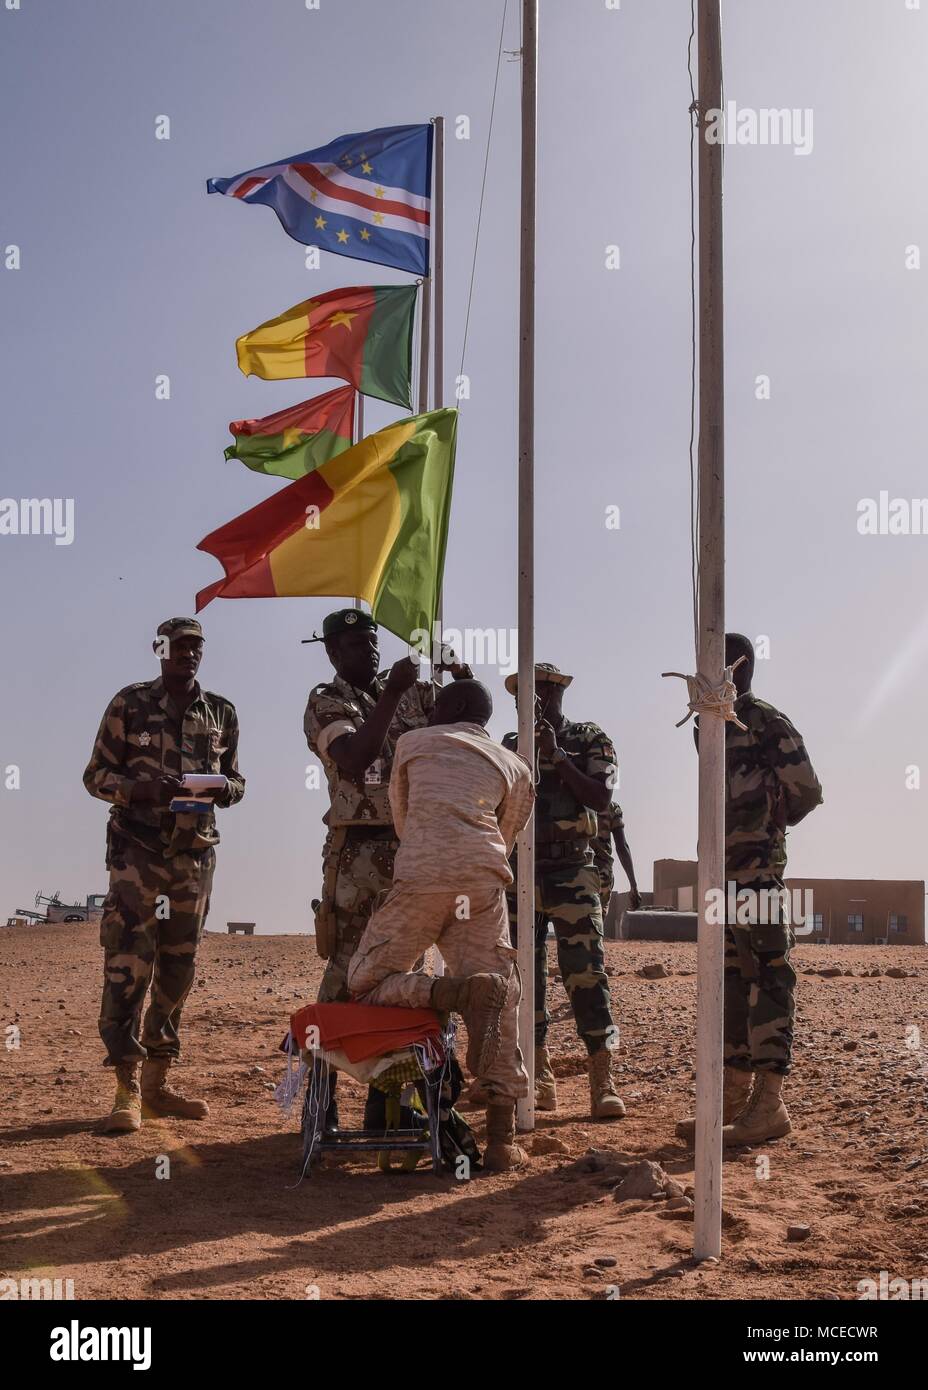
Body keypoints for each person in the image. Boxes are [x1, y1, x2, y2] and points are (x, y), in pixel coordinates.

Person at [347, 678, 534, 1170]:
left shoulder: (412, 743)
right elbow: (509, 829)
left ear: (451, 708)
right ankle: (502, 1140)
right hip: (483, 880)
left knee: (364, 981)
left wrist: (431, 858)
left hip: (423, 877)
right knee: (503, 995)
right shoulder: (516, 764)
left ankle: (449, 995)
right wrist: (474, 866)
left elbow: (402, 814)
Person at [302, 608, 470, 1130]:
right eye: (354, 644)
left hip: (414, 847)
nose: (369, 650)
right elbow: (354, 757)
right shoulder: (327, 701)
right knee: (346, 973)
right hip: (359, 854)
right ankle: (319, 1104)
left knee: (404, 975)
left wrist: (458, 674)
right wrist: (394, 694)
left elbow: (467, 721)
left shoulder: (418, 694)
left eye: (372, 641)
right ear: (333, 652)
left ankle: (388, 1108)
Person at [83, 617, 244, 1134]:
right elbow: (96, 776)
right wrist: (141, 789)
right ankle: (125, 1088)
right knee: (128, 966)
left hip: (193, 856)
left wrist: (221, 788)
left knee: (178, 969)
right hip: (138, 854)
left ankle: (157, 1083)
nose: (187, 654)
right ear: (161, 650)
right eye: (178, 646)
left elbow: (238, 782)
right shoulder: (130, 704)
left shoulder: (221, 711)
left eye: (196, 646)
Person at [675, 633, 822, 1146]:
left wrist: (767, 831)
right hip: (721, 875)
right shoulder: (706, 725)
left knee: (769, 973)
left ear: (737, 667)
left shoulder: (766, 722)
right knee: (732, 979)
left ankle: (769, 1103)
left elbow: (806, 790)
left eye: (710, 665)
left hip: (757, 872)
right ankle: (731, 1097)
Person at [503, 662, 625, 1120]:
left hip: (573, 870)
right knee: (523, 980)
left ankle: (602, 1078)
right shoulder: (511, 746)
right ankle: (539, 1076)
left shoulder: (590, 739)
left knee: (587, 976)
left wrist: (557, 758)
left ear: (558, 696)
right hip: (523, 873)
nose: (531, 705)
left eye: (540, 696)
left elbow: (601, 797)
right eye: (522, 698)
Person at [593, 801, 642, 919]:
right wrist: (633, 885)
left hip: (574, 872)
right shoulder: (611, 807)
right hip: (601, 876)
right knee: (595, 925)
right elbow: (622, 847)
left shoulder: (572, 802)